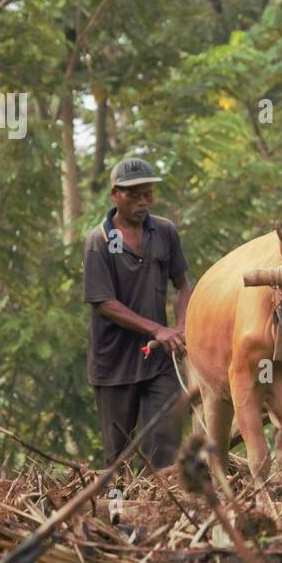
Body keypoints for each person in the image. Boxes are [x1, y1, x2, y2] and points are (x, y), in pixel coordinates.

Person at [82, 157, 192, 468]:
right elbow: (104, 303)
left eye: (148, 195)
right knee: (118, 458)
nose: (142, 202)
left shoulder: (164, 232)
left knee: (165, 447)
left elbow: (182, 284)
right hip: (114, 365)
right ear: (115, 194)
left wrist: (182, 325)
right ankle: (117, 513)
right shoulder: (99, 242)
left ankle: (162, 510)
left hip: (157, 359)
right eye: (134, 195)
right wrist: (157, 329)